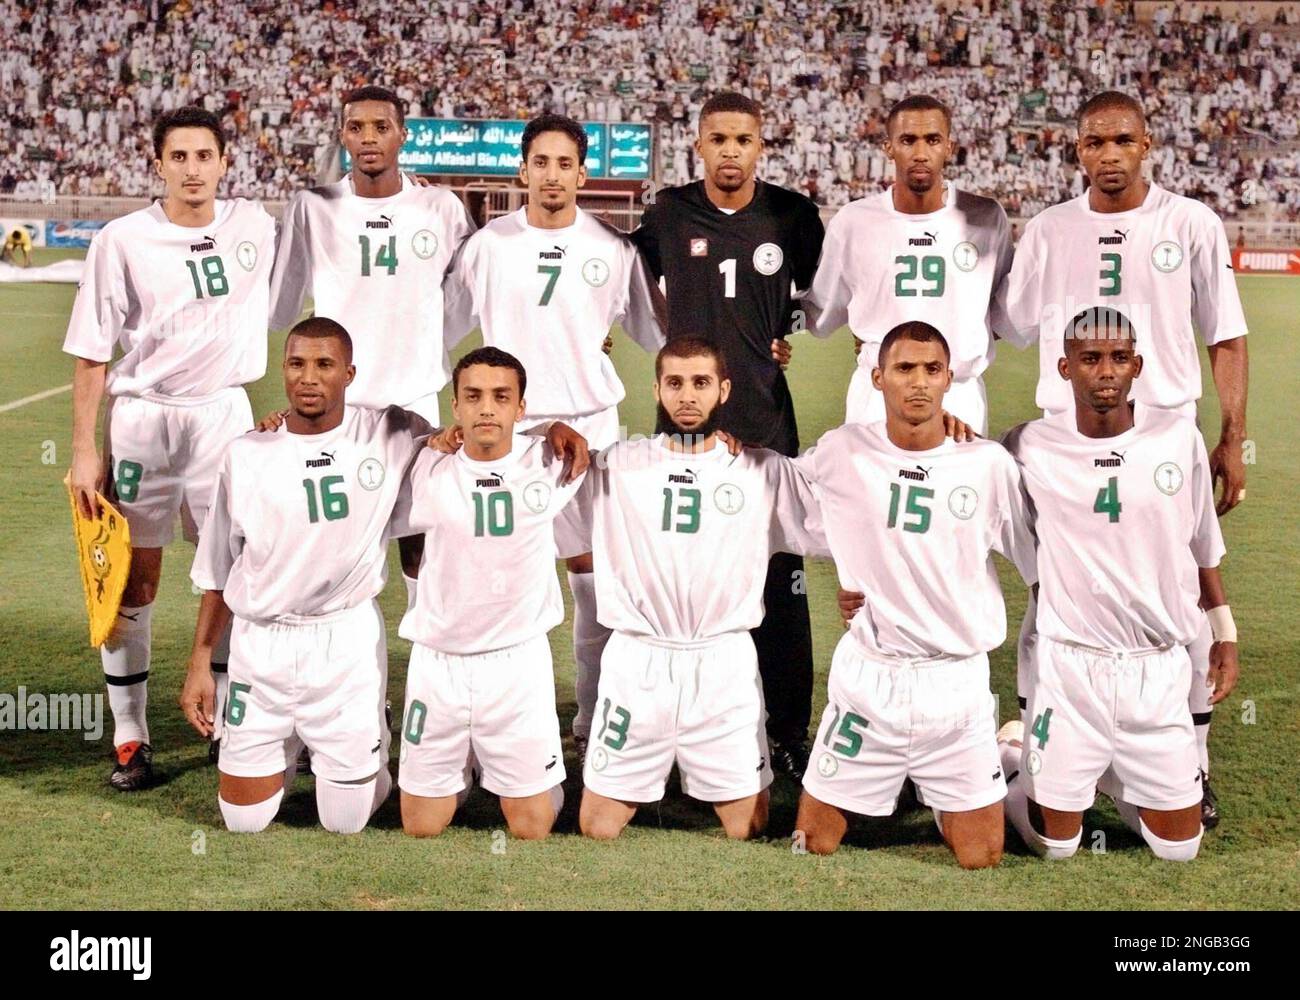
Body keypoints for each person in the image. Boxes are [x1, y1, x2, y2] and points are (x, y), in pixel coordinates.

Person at [1006, 91, 1249, 826]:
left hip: (1165, 436)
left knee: (1181, 595)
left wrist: (1233, 436)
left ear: (1147, 144)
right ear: (1076, 151)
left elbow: (1226, 336)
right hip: (1066, 441)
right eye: (1093, 143)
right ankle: (1046, 752)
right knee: (1053, 593)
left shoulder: (1191, 223)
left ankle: (1188, 770)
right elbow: (1010, 323)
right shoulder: (1049, 229)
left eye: (1121, 141)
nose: (1108, 155)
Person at [443, 112, 667, 761]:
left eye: (564, 164)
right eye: (540, 162)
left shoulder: (611, 249)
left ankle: (592, 712)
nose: (551, 175)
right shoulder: (486, 247)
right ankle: (509, 716)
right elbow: (443, 330)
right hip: (504, 434)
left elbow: (658, 336)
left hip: (590, 432)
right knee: (503, 576)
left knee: (592, 577)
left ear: (582, 173)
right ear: (522, 170)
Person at [64, 106, 275, 790]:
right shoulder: (122, 240)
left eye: (203, 155)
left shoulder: (255, 225)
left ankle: (229, 722)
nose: (192, 169)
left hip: (224, 416)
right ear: (158, 164)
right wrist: (82, 451)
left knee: (236, 574)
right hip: (143, 423)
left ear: (224, 162)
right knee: (135, 577)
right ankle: (130, 736)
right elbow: (93, 351)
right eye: (178, 156)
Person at [998, 306, 1239, 862]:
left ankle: (1114, 777)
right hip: (1070, 667)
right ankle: (1011, 753)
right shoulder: (1026, 445)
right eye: (1090, 359)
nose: (1105, 372)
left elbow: (1202, 544)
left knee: (1177, 848)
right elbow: (960, 484)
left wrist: (1223, 629)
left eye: (1118, 358)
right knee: (1056, 845)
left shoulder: (1177, 439)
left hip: (1156, 668)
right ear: (1064, 368)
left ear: (1138, 366)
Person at [630, 91, 823, 778]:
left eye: (744, 139)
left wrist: (788, 332)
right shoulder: (670, 212)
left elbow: (824, 297)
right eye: (719, 139)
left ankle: (789, 733)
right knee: (684, 577)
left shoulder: (792, 215)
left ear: (760, 145)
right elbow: (629, 279)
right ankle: (679, 730)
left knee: (780, 585)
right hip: (680, 430)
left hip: (765, 427)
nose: (731, 151)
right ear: (699, 145)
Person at [795, 322, 1036, 867]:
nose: (919, 383)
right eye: (905, 369)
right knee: (810, 844)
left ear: (950, 378)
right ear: (877, 377)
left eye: (932, 370)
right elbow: (794, 503)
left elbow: (1035, 564)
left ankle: (1007, 755)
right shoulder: (842, 452)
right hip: (870, 683)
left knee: (982, 857)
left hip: (955, 685)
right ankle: (923, 785)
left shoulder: (987, 465)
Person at [567, 338, 823, 841]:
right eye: (676, 383)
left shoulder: (761, 471)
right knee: (597, 827)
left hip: (722, 663)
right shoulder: (616, 465)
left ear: (723, 390)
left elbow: (843, 502)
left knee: (746, 828)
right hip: (637, 664)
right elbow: (522, 470)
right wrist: (548, 429)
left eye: (701, 383)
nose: (688, 396)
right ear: (657, 388)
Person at [180, 318, 427, 834]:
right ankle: (290, 749)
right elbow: (219, 571)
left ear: (349, 373)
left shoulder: (389, 432)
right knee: (242, 821)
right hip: (261, 646)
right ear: (284, 370)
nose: (308, 377)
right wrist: (201, 660)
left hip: (344, 643)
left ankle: (361, 751)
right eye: (296, 364)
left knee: (346, 822)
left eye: (324, 365)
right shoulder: (246, 453)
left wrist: (552, 429)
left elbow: (470, 436)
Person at [269, 85, 476, 608]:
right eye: (356, 127)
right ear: (342, 135)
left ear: (402, 135)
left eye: (380, 127)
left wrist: (429, 341)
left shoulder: (441, 207)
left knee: (420, 543)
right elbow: (279, 304)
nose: (368, 138)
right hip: (339, 408)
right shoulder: (313, 208)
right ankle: (343, 671)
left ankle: (425, 661)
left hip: (416, 399)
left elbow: (476, 291)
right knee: (337, 547)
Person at [393, 347, 588, 841]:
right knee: (420, 827)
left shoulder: (551, 461)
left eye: (501, 397)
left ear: (521, 409)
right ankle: (468, 768)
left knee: (532, 828)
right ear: (455, 405)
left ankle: (511, 770)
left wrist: (553, 429)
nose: (486, 408)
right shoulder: (424, 465)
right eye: (473, 396)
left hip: (516, 664)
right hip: (439, 663)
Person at [807, 95, 1014, 435]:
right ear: (888, 147)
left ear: (950, 146)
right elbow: (822, 310)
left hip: (957, 391)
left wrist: (962, 341)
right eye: (908, 140)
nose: (920, 153)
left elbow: (1004, 312)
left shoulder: (987, 217)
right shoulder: (854, 221)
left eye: (932, 140)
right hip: (877, 393)